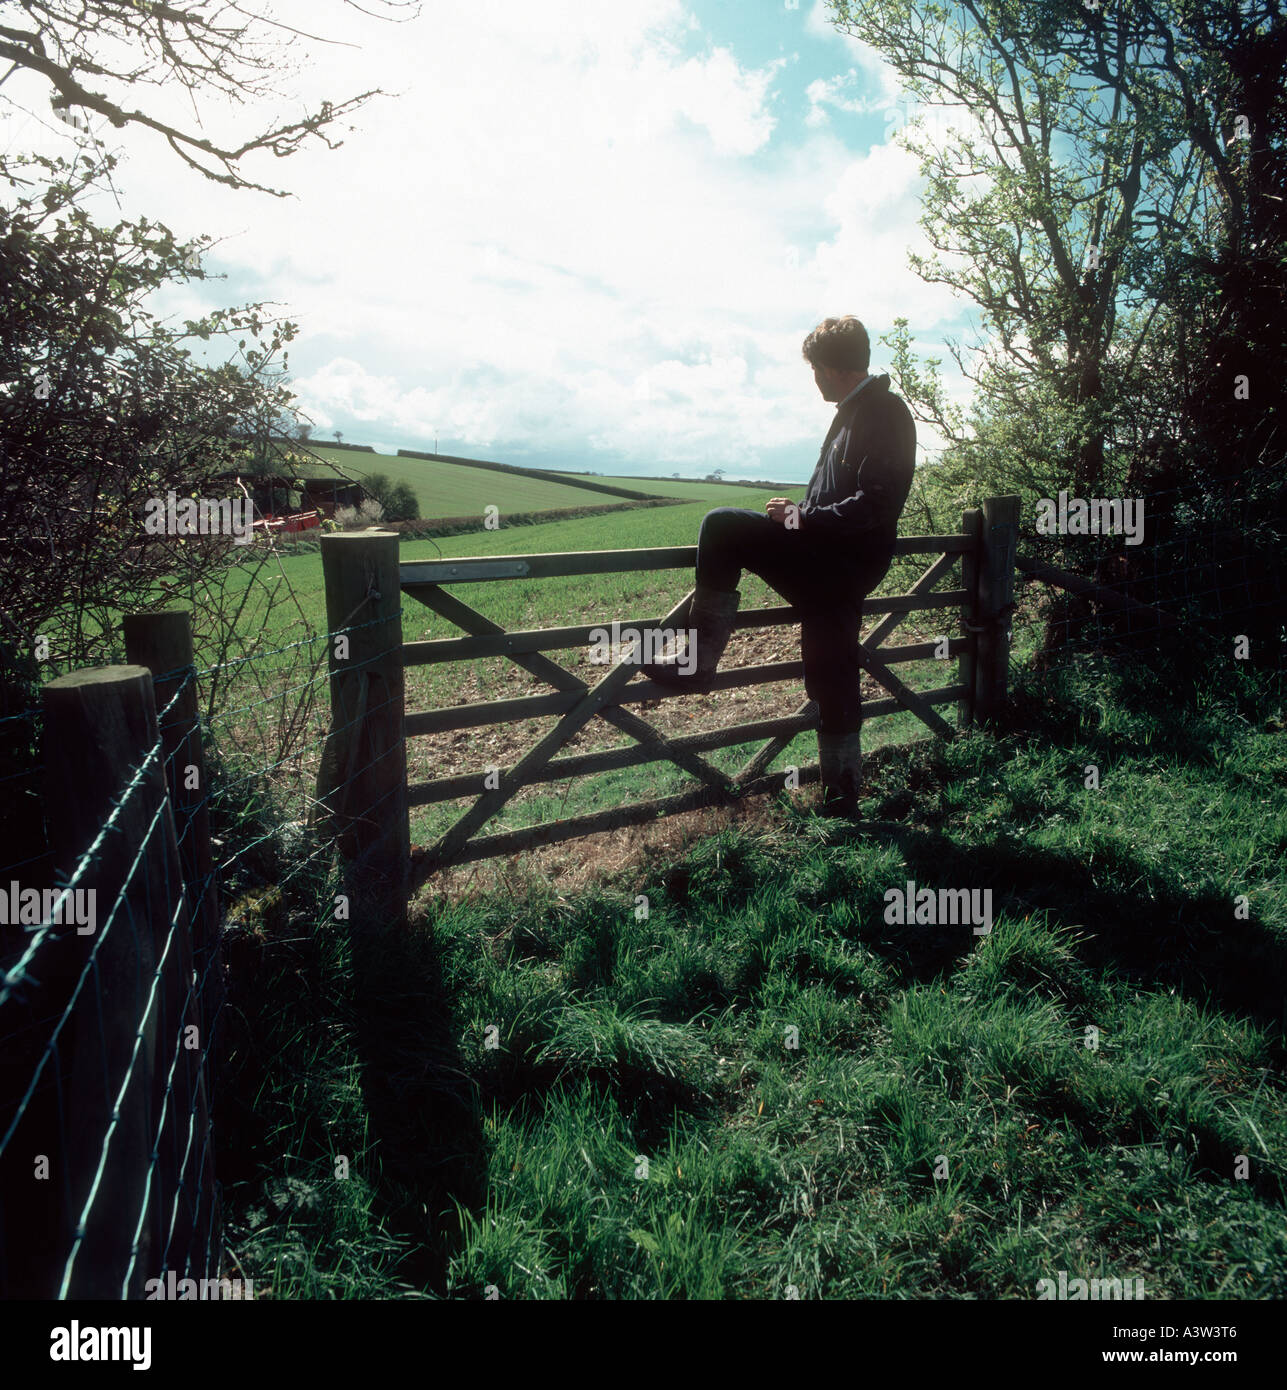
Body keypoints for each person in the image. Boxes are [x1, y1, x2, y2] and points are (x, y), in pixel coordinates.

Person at [642, 315, 916, 815]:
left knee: (722, 526)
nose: (813, 380)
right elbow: (846, 493)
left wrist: (803, 518)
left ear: (831, 369)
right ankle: (843, 797)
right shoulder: (856, 410)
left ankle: (697, 659)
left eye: (815, 369)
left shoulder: (884, 411)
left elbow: (878, 503)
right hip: (832, 559)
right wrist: (801, 514)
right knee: (832, 673)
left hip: (841, 564)